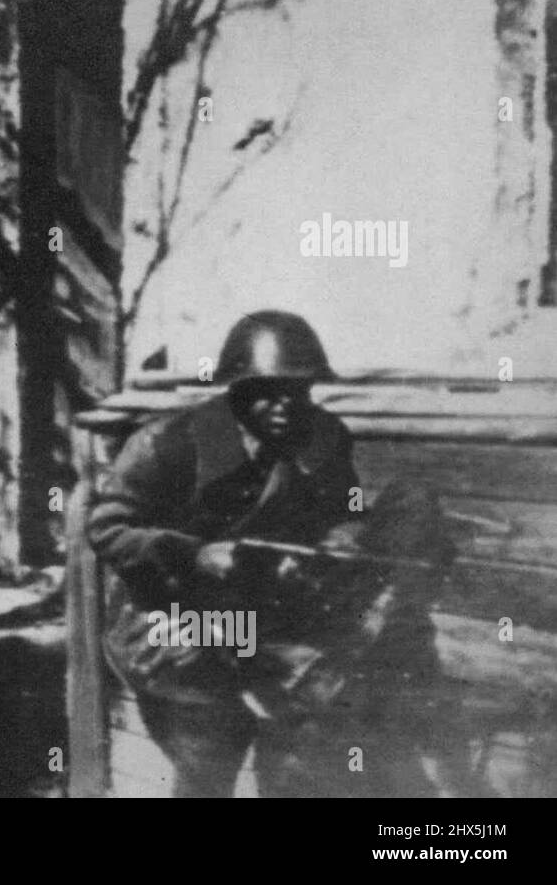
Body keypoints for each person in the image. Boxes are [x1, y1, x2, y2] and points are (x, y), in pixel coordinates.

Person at [87, 310, 448, 797]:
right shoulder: (167, 443)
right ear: (235, 389)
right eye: (266, 392)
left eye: (297, 392)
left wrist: (336, 544)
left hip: (261, 611)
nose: (284, 406)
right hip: (166, 613)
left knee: (311, 723)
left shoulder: (322, 437)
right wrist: (195, 555)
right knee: (210, 741)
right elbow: (108, 529)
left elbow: (341, 509)